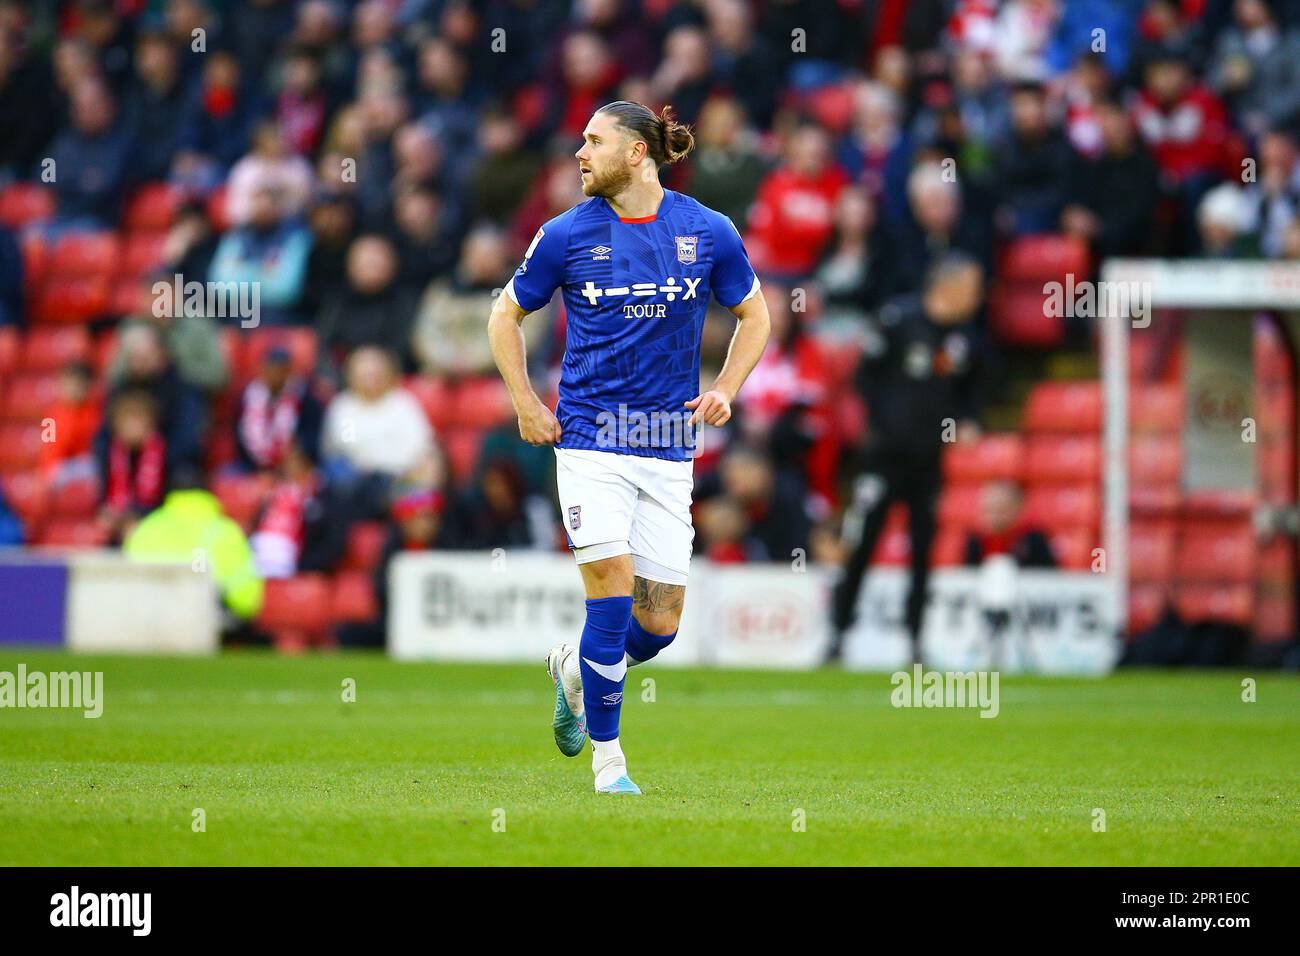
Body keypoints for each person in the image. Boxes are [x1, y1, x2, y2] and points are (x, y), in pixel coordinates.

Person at [487, 101, 770, 794]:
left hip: (669, 447)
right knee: (610, 593)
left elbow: (756, 314)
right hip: (588, 439)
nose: (579, 153)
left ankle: (573, 670)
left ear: (637, 152)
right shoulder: (563, 234)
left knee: (660, 625)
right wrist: (526, 401)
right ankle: (610, 763)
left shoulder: (707, 230)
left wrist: (727, 385)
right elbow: (505, 314)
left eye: (593, 141)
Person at [826, 252, 987, 666]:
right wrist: (884, 426)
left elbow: (972, 393)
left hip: (928, 463)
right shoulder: (898, 319)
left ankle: (915, 643)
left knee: (923, 550)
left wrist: (967, 422)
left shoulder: (963, 339)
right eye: (972, 288)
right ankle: (837, 635)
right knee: (862, 544)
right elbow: (866, 376)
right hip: (882, 458)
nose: (978, 296)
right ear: (947, 286)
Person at [124, 464, 264, 634]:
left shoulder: (145, 528)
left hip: (148, 620)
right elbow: (247, 599)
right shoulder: (224, 530)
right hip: (206, 621)